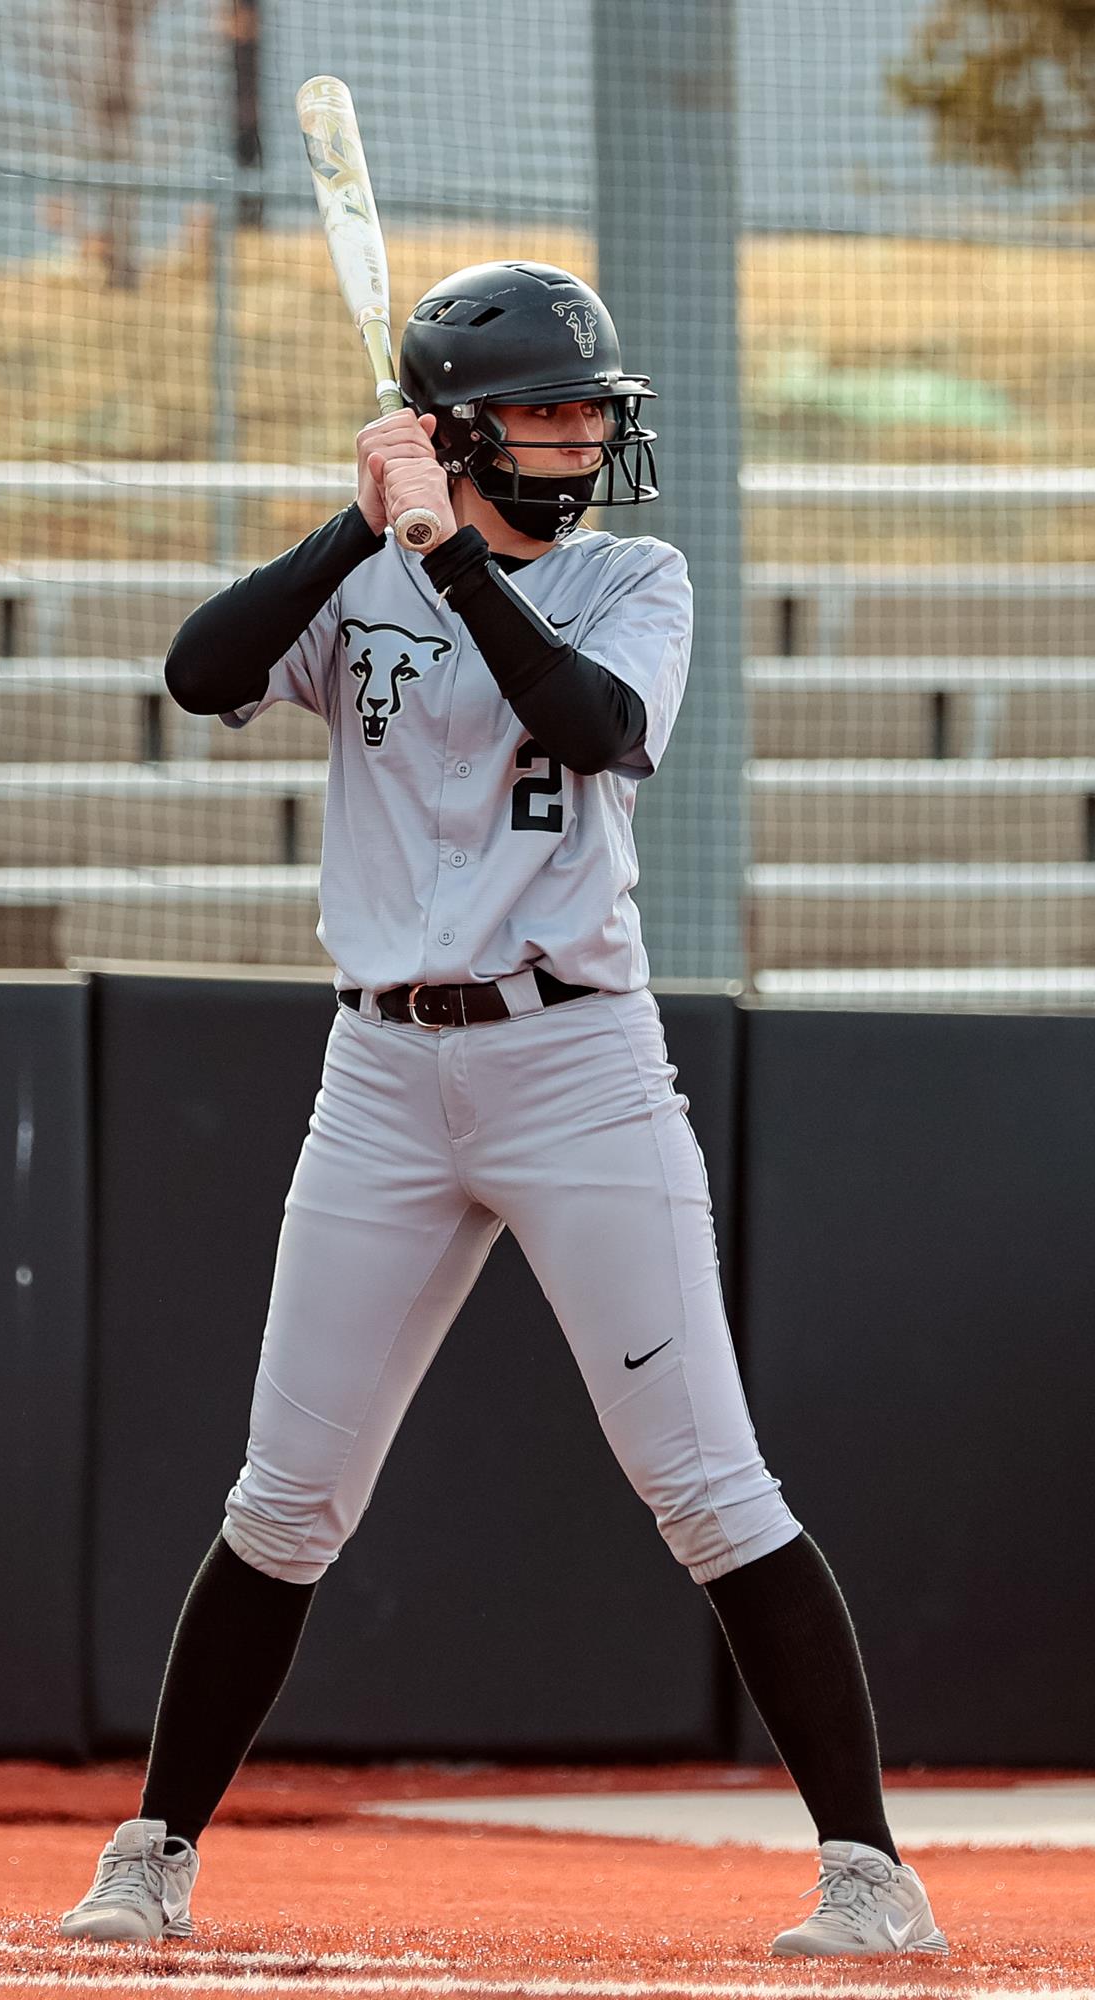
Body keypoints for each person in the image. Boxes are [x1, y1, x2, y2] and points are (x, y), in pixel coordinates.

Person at [59, 262, 946, 1961]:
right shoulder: (369, 575)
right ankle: (155, 1845)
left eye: (588, 409)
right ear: (460, 427)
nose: (580, 434)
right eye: (542, 410)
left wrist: (451, 554)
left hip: (576, 1069)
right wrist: (356, 518)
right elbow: (198, 672)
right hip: (381, 1075)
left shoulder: (635, 576)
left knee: (704, 1482)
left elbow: (593, 724)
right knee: (285, 1499)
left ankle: (867, 1873)